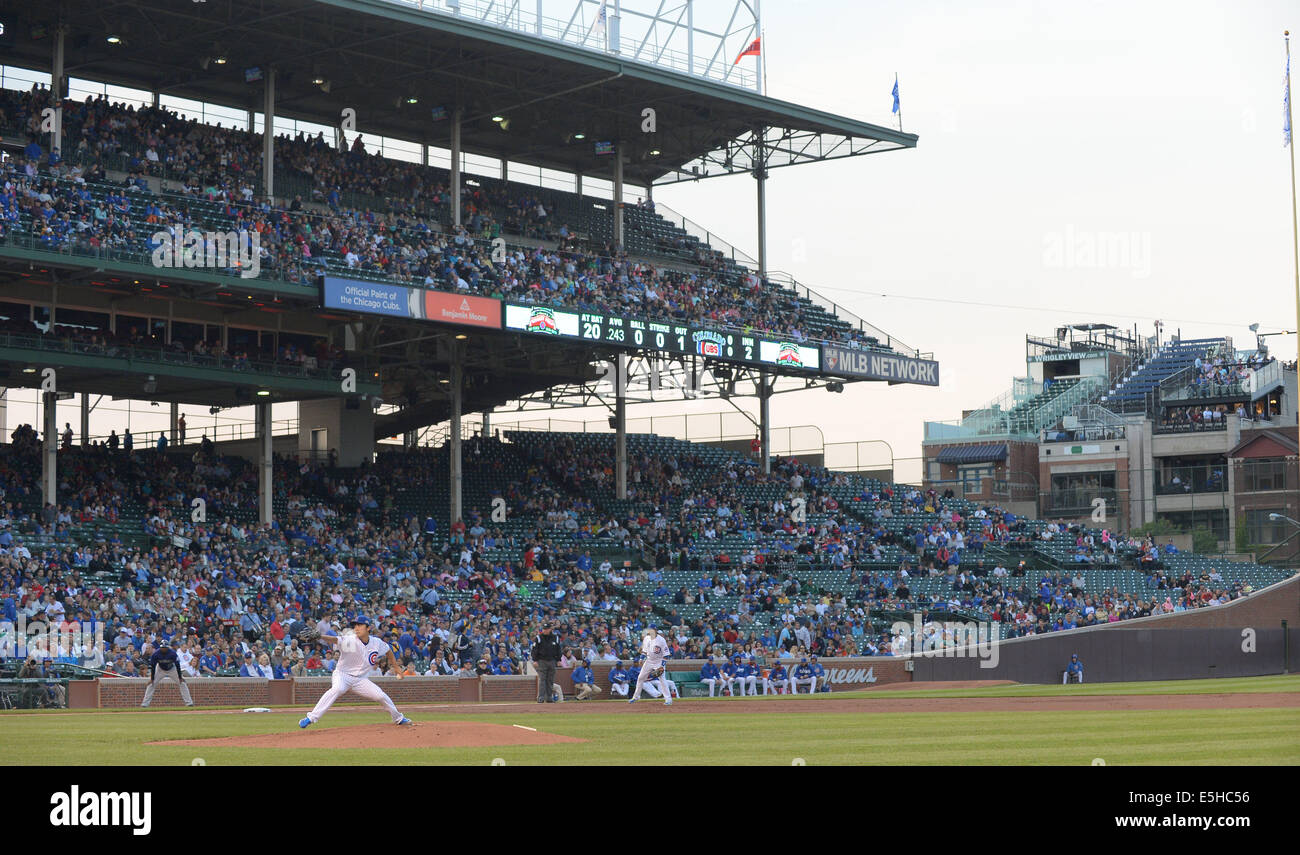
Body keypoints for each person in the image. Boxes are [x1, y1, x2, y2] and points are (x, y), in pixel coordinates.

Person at [298, 616, 412, 728]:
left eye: (360, 625)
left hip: (360, 679)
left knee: (380, 696)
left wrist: (396, 667)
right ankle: (311, 718)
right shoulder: (350, 639)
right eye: (355, 626)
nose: (356, 628)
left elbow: (388, 651)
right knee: (337, 689)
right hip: (343, 675)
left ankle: (399, 718)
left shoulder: (376, 642)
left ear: (368, 628)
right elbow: (335, 639)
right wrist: (320, 636)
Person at [141, 640, 194, 707]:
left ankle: (189, 703)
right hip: (160, 669)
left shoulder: (172, 653)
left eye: (165, 647)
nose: (163, 649)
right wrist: (152, 678)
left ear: (168, 647)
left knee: (182, 683)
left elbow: (177, 665)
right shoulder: (156, 654)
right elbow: (153, 667)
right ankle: (145, 704)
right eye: (162, 647)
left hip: (172, 669)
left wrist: (180, 677)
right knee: (151, 684)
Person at [628, 627, 673, 706]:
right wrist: (641, 659)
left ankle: (668, 699)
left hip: (658, 661)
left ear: (655, 630)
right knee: (640, 678)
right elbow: (644, 651)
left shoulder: (661, 640)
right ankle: (636, 697)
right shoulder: (646, 638)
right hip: (648, 661)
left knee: (662, 680)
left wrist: (662, 666)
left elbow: (666, 655)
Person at [530, 621, 562, 704]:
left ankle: (549, 697)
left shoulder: (556, 638)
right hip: (542, 661)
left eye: (546, 629)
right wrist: (535, 660)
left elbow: (559, 650)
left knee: (550, 680)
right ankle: (541, 697)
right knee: (542, 680)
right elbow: (534, 650)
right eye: (543, 629)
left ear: (550, 629)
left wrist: (559, 660)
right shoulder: (539, 638)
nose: (544, 630)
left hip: (552, 661)